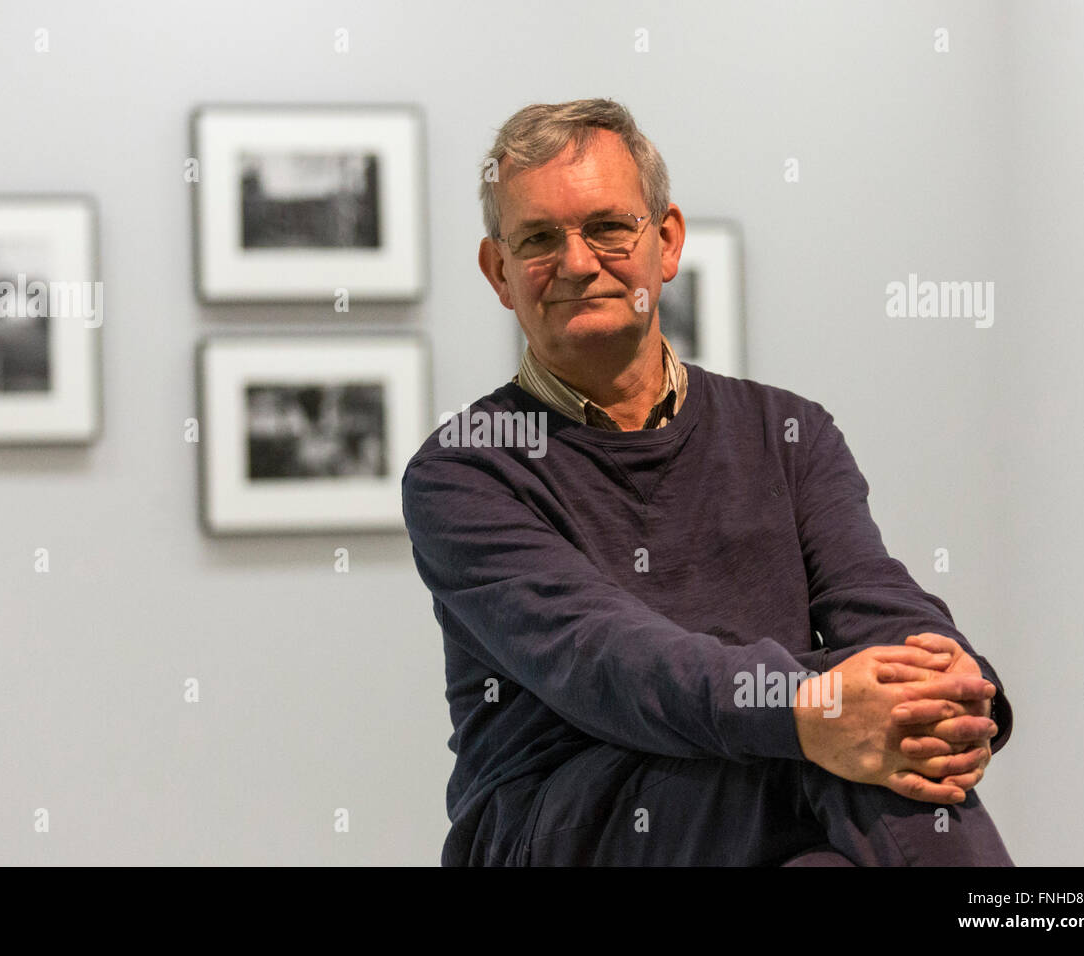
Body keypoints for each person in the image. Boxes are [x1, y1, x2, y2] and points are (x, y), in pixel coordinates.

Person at [401, 98, 1014, 866]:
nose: (577, 262)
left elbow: (874, 594)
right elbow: (609, 663)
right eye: (538, 239)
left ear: (666, 242)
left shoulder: (790, 431)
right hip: (559, 820)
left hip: (767, 776)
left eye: (607, 227)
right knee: (864, 769)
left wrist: (956, 689)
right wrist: (815, 705)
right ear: (498, 273)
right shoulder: (465, 468)